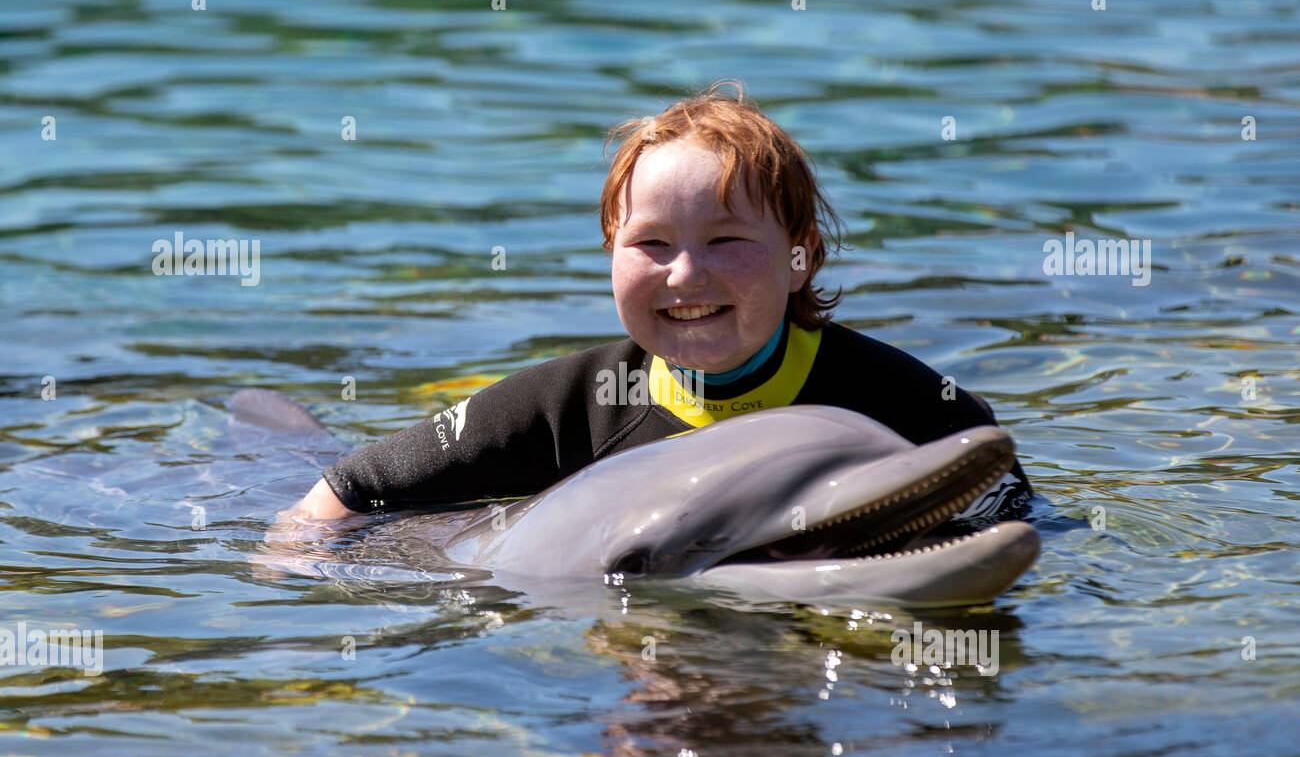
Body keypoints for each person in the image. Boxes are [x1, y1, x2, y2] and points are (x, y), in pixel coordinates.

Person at [289, 80, 1031, 524]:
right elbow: (346, 492)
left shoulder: (903, 402)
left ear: (802, 254)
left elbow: (1011, 517)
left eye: (726, 240)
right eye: (651, 244)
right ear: (611, 251)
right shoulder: (567, 405)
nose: (685, 276)